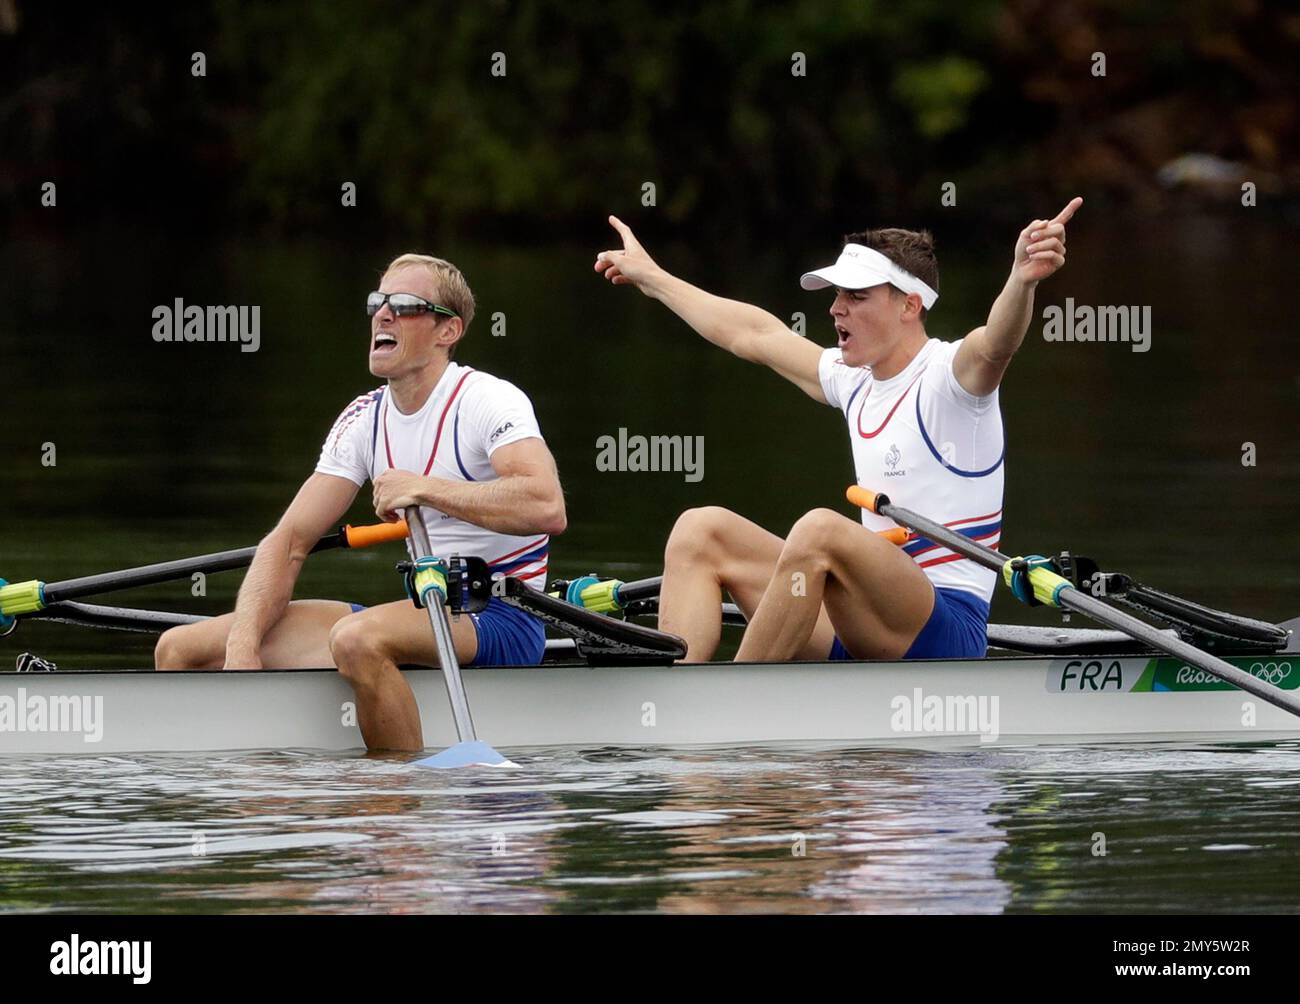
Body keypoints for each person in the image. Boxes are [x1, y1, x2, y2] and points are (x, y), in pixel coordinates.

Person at [593, 199, 1082, 663]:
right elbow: (754, 334)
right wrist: (653, 279)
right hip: (861, 620)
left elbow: (997, 344)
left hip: (943, 627)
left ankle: (732, 707)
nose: (835, 310)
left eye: (856, 296)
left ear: (909, 306)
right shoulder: (853, 382)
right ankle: (673, 698)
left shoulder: (952, 379)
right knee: (701, 530)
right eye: (836, 296)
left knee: (819, 529)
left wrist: (1022, 280)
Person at [156, 253, 566, 750]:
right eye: (379, 302)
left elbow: (546, 505)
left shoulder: (487, 401)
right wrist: (243, 652)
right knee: (182, 650)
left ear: (448, 331)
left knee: (356, 638)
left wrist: (426, 487)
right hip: (425, 607)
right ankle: (254, 799)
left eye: (406, 305)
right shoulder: (362, 419)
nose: (383, 315)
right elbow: (288, 543)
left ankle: (395, 797)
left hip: (501, 617)